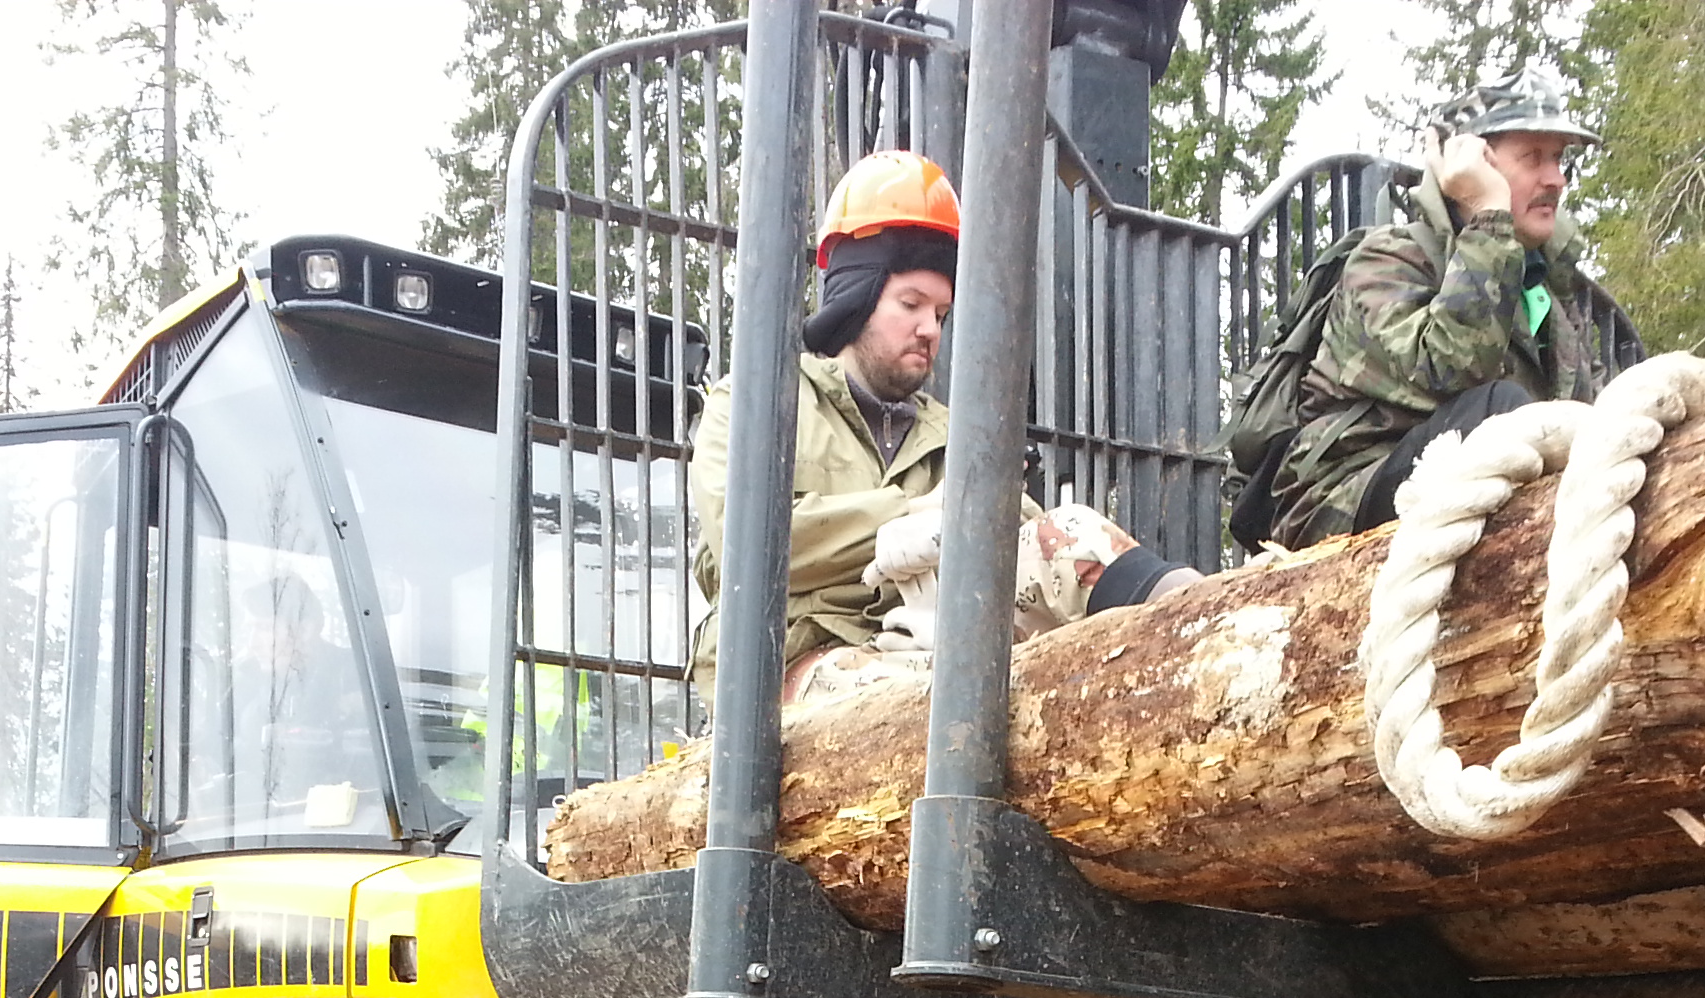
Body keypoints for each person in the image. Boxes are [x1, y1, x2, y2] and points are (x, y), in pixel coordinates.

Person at [688, 151, 1196, 699]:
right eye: (911, 304)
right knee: (922, 699)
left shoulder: (957, 435)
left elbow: (1023, 532)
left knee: (1071, 533)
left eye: (941, 314)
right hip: (797, 660)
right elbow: (749, 543)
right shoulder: (755, 404)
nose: (930, 329)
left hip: (933, 635)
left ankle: (1210, 621)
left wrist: (962, 525)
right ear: (855, 296)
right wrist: (908, 516)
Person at [1262, 81, 1646, 549]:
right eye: (1534, 158)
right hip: (1341, 501)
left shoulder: (1547, 292)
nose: (1555, 179)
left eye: (1559, 159)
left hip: (1475, 503)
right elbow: (1450, 370)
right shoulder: (1389, 259)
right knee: (1501, 410)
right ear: (1471, 164)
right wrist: (1489, 215)